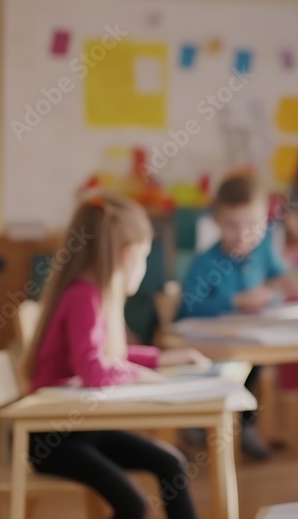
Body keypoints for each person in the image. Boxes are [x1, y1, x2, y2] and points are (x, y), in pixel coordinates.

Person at [23, 193, 209, 519]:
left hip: (83, 429)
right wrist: (138, 374)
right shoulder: (84, 297)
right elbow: (96, 371)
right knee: (132, 505)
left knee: (170, 463)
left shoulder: (93, 293)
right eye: (145, 257)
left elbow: (112, 356)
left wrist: (160, 359)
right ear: (128, 255)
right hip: (53, 441)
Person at [177, 174, 290, 460]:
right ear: (215, 221)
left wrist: (270, 296)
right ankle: (218, 424)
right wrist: (234, 301)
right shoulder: (205, 262)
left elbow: (281, 283)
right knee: (241, 366)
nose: (241, 235)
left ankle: (243, 425)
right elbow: (190, 307)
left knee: (256, 362)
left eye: (252, 225)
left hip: (249, 340)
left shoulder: (263, 250)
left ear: (265, 222)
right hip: (209, 346)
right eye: (231, 225)